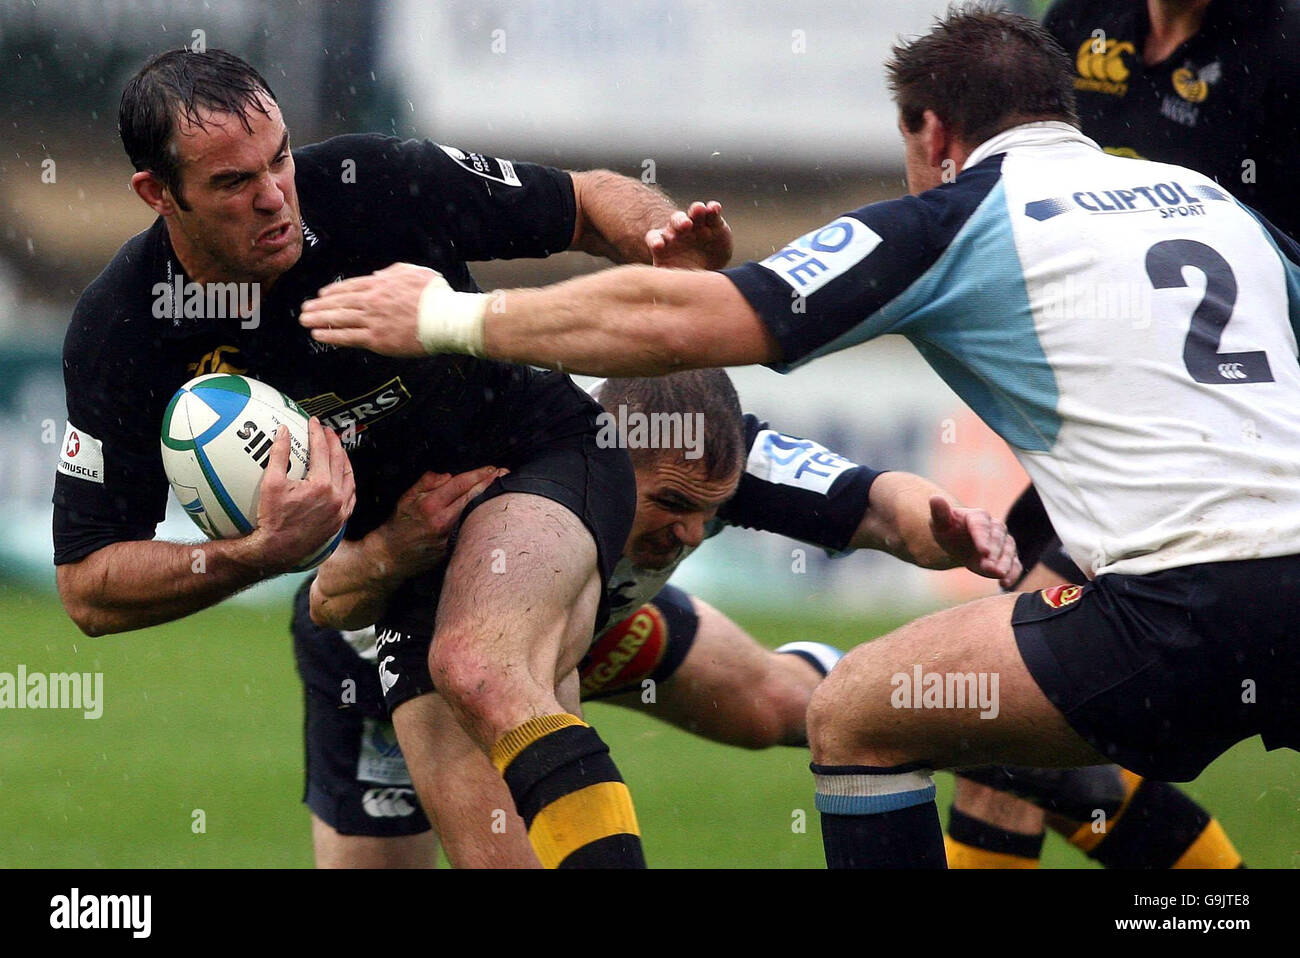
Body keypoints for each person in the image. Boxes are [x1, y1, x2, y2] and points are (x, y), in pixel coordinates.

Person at [298, 7, 1300, 868]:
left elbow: (688, 321)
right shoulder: (1219, 208)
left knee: (856, 716)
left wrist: (446, 316)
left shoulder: (960, 215)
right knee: (976, 717)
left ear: (931, 132)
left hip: (1180, 600)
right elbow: (329, 601)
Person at [54, 48, 731, 869]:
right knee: (502, 858)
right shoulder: (122, 330)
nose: (274, 199)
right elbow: (88, 588)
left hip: (541, 460)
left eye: (278, 160)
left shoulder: (369, 181)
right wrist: (262, 553)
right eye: (233, 184)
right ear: (157, 194)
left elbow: (586, 202)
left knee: (476, 665)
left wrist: (661, 243)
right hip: (406, 572)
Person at [300, 369, 1020, 866]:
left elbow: (878, 505)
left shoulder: (706, 453)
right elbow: (326, 603)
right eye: (672, 506)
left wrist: (949, 528)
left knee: (782, 706)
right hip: (407, 668)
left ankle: (1007, 755)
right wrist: (390, 553)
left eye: (711, 512)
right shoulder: (493, 476)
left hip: (593, 631)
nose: (691, 535)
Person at [946, 0, 1300, 869]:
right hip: (1121, 431)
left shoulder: (1285, 47)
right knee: (1009, 734)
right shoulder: (1079, 22)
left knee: (999, 727)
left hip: (1247, 449)